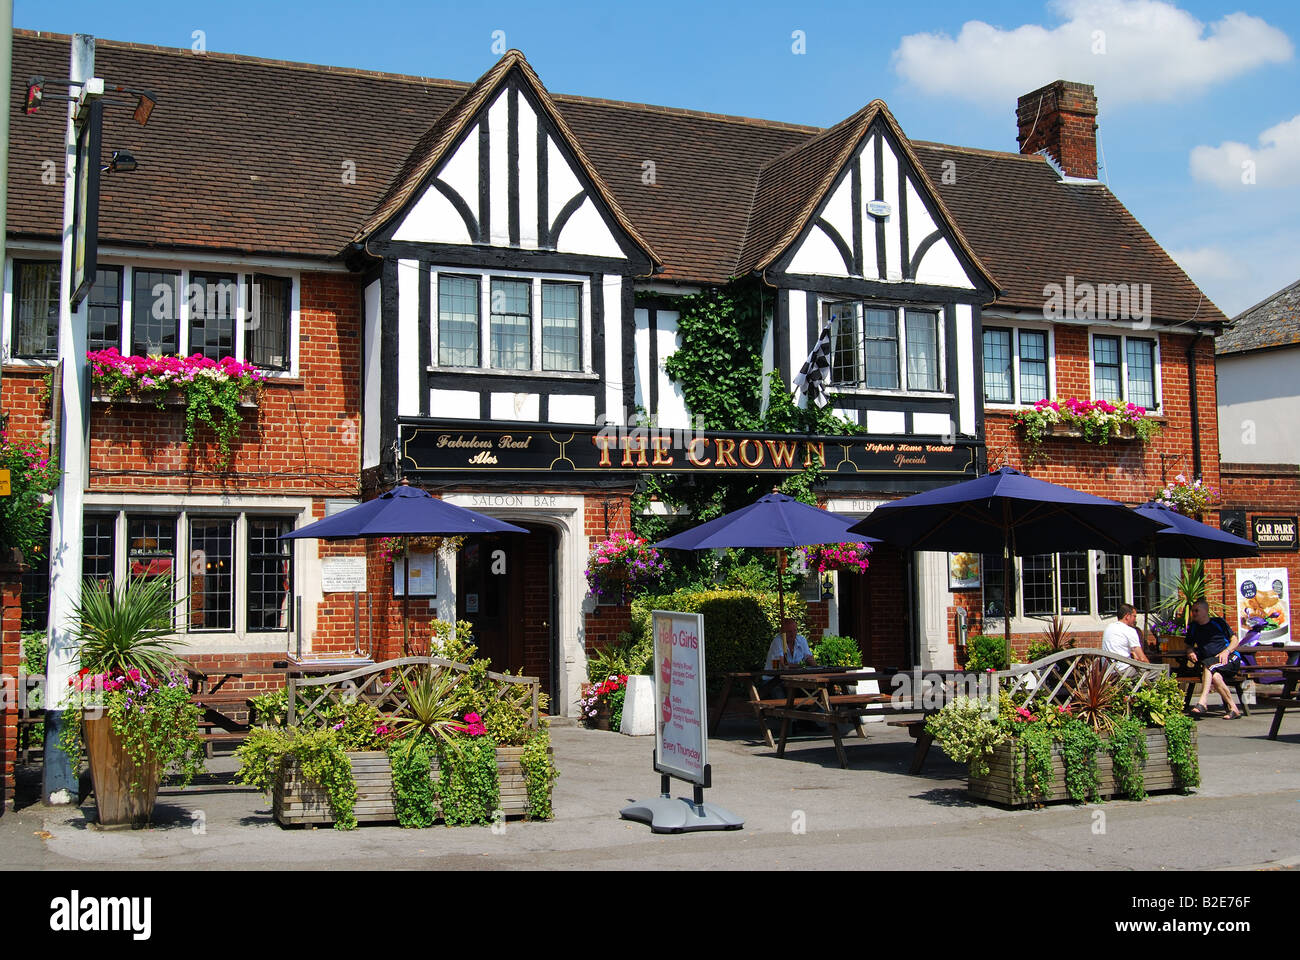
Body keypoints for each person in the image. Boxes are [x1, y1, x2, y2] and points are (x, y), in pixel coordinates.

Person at [1185, 599, 1243, 719]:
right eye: (1192, 611)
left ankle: (1203, 701)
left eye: (1196, 610)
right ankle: (1234, 709)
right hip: (1213, 663)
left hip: (1230, 659)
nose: (1193, 613)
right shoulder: (1193, 627)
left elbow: (1235, 640)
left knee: (1208, 665)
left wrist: (1226, 652)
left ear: (1205, 611)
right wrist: (1190, 651)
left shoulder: (1218, 623)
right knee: (1215, 676)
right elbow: (1189, 645)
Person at [1100, 603, 1150, 670]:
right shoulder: (1129, 630)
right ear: (1127, 616)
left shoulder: (1109, 628)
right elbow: (1142, 658)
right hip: (1123, 671)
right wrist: (1151, 667)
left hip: (1108, 672)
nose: (1135, 620)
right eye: (1134, 616)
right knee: (1157, 672)